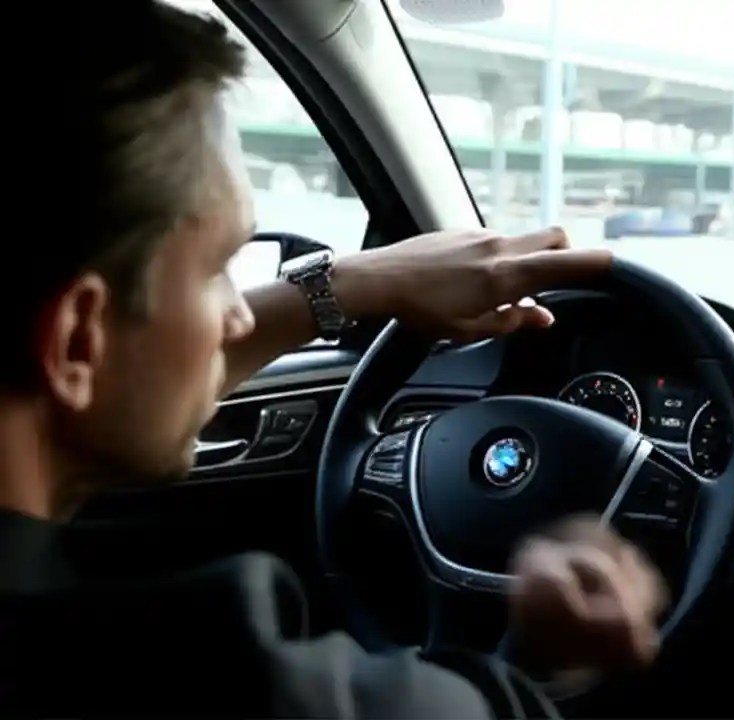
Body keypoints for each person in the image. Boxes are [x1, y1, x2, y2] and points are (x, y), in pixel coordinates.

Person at [0, 1, 665, 716]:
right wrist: (546, 668)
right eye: (220, 267)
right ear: (75, 338)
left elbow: (94, 375)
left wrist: (350, 283)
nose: (239, 313)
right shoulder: (232, 678)